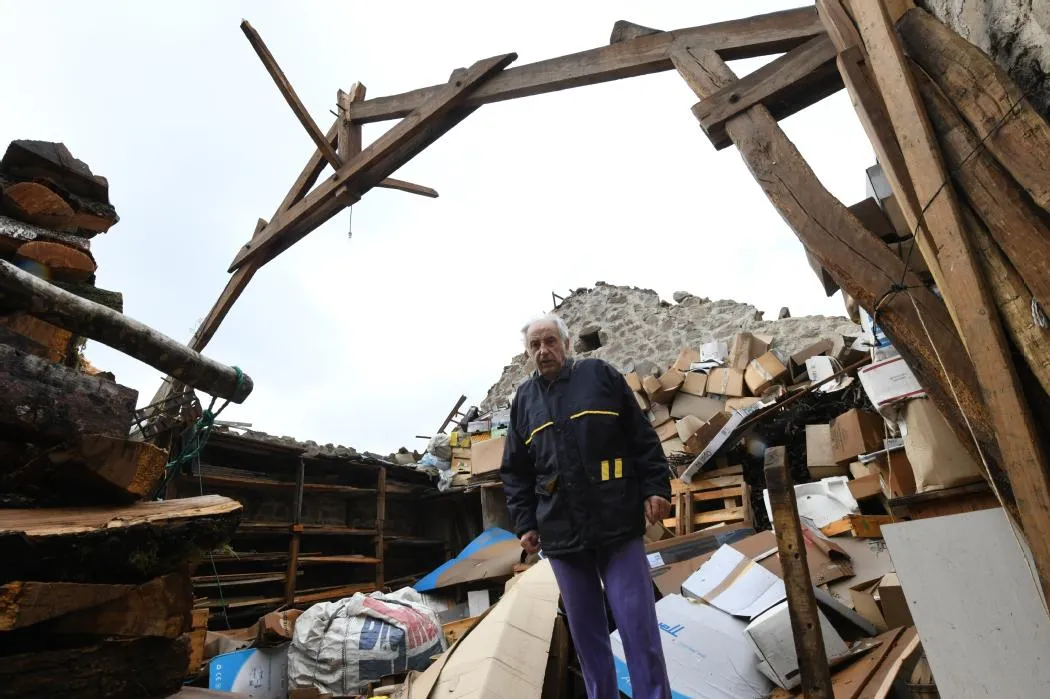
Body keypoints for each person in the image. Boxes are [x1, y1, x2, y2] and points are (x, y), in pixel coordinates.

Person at [500, 313, 673, 699]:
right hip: (562, 534)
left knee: (638, 627)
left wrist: (655, 488)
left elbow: (641, 437)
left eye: (550, 341)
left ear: (566, 343)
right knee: (588, 638)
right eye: (534, 345)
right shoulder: (524, 402)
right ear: (527, 353)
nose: (543, 351)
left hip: (617, 522)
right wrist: (525, 522)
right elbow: (515, 471)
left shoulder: (600, 376)